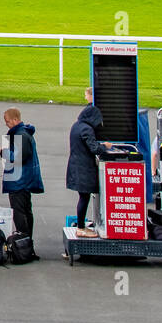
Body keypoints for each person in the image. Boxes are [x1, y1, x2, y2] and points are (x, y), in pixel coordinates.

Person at [66, 92, 115, 237]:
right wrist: (105, 146)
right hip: (83, 168)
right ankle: (81, 228)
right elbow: (94, 148)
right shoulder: (87, 129)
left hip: (75, 166)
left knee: (84, 197)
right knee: (84, 198)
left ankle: (81, 226)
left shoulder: (77, 125)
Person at [1, 107, 43, 254]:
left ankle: (23, 244)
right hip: (23, 180)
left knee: (20, 212)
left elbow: (19, 157)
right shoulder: (24, 134)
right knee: (25, 211)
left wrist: (4, 152)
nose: (6, 124)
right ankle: (26, 243)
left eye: (7, 121)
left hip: (19, 181)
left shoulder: (21, 135)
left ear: (15, 120)